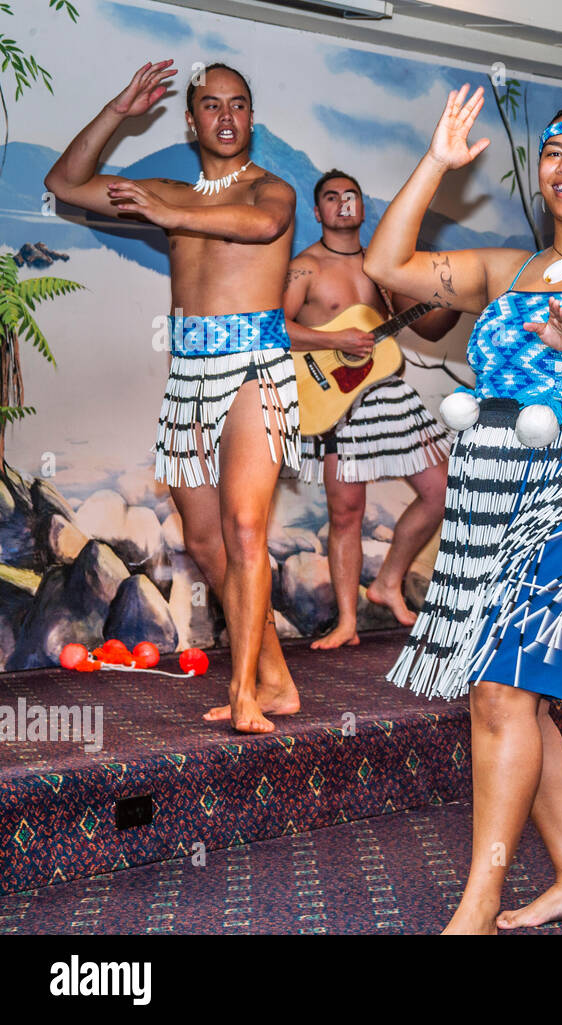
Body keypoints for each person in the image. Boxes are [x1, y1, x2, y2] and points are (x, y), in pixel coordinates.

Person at [364, 86, 562, 932]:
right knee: (513, 695)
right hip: (490, 487)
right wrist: (436, 162)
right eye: (555, 151)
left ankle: (480, 898)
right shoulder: (509, 269)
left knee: (501, 693)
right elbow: (388, 267)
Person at [45, 61, 300, 733]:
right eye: (210, 105)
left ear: (251, 117)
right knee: (209, 545)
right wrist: (117, 112)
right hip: (190, 373)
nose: (225, 116)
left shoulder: (273, 192)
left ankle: (245, 693)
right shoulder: (167, 191)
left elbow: (258, 229)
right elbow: (64, 183)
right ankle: (276, 676)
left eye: (238, 104)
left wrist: (170, 210)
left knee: (247, 529)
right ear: (191, 121)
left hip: (256, 366)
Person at [284, 170, 460, 649]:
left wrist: (459, 296)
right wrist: (333, 339)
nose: (344, 203)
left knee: (441, 489)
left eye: (352, 196)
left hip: (386, 393)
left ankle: (387, 581)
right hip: (332, 398)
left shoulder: (383, 266)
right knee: (347, 512)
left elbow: (431, 331)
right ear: (318, 212)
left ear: (362, 207)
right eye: (332, 197)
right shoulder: (305, 268)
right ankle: (346, 621)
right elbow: (272, 329)